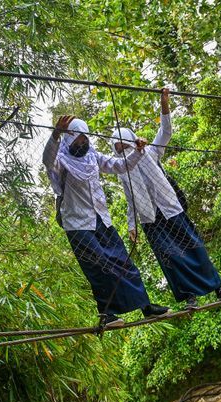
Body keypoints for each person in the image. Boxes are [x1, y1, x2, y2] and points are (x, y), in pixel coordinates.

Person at [111, 88, 221, 310]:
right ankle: (190, 298)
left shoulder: (150, 152)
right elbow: (131, 198)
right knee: (171, 259)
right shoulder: (122, 169)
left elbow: (166, 130)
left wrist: (164, 103)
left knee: (194, 247)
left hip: (170, 209)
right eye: (118, 148)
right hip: (150, 219)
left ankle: (218, 288)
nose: (123, 150)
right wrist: (132, 225)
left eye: (125, 145)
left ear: (132, 141)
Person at [43, 115, 170, 327]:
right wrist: (56, 134)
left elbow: (120, 166)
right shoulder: (61, 160)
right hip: (77, 224)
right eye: (78, 140)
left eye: (85, 139)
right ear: (68, 140)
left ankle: (146, 307)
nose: (82, 143)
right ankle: (107, 314)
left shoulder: (92, 156)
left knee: (123, 261)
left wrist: (138, 151)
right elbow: (47, 159)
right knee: (98, 265)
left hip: (101, 219)